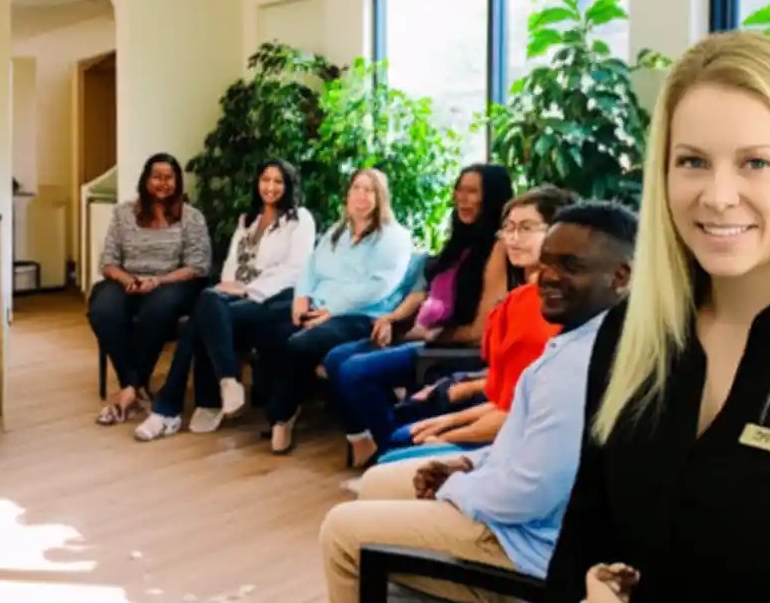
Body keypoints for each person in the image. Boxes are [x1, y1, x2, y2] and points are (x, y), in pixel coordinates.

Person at [544, 31, 770, 603]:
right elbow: (583, 538)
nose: (717, 195)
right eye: (692, 161)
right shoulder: (631, 336)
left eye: (756, 162)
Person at [319, 201, 637, 603]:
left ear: (620, 276)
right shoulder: (583, 333)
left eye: (570, 266)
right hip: (520, 508)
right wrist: (468, 464)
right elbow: (526, 440)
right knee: (380, 480)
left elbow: (528, 493)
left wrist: (458, 487)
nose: (548, 277)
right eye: (547, 262)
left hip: (528, 548)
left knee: (340, 530)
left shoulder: (580, 365)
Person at [321, 164, 516, 467]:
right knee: (337, 358)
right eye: (459, 190)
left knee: (355, 371)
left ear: (491, 197)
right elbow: (424, 294)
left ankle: (394, 452)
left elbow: (481, 330)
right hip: (427, 335)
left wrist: (431, 334)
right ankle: (388, 443)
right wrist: (393, 320)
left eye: (472, 192)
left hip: (457, 347)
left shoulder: (498, 248)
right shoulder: (460, 241)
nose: (462, 198)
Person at [382, 185, 580, 462]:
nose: (513, 238)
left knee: (398, 449)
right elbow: (506, 400)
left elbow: (522, 414)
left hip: (534, 446)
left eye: (526, 228)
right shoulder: (516, 301)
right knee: (403, 432)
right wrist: (448, 422)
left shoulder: (564, 306)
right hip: (503, 420)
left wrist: (448, 435)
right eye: (508, 228)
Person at [134, 158, 316, 441]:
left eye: (278, 181)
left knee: (202, 312)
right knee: (208, 302)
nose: (270, 187)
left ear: (289, 185)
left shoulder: (300, 219)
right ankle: (225, 384)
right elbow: (232, 261)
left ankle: (175, 408)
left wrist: (247, 290)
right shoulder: (248, 220)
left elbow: (296, 269)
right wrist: (228, 285)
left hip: (272, 301)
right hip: (235, 298)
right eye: (265, 180)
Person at [256, 167, 413, 454]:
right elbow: (311, 266)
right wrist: (301, 297)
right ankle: (285, 411)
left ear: (381, 197)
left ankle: (281, 416)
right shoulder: (337, 231)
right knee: (270, 330)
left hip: (361, 315)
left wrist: (332, 310)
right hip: (319, 308)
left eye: (369, 190)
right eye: (356, 188)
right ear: (348, 194)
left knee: (300, 344)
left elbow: (378, 286)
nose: (361, 195)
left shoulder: (394, 237)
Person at [88, 152, 212, 425]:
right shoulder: (123, 213)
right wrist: (128, 280)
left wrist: (158, 281)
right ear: (145, 180)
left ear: (178, 182)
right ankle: (134, 385)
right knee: (103, 308)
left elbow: (198, 266)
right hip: (128, 280)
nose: (163, 183)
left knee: (158, 307)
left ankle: (129, 389)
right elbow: (108, 262)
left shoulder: (191, 217)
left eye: (169, 178)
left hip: (173, 283)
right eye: (157, 177)